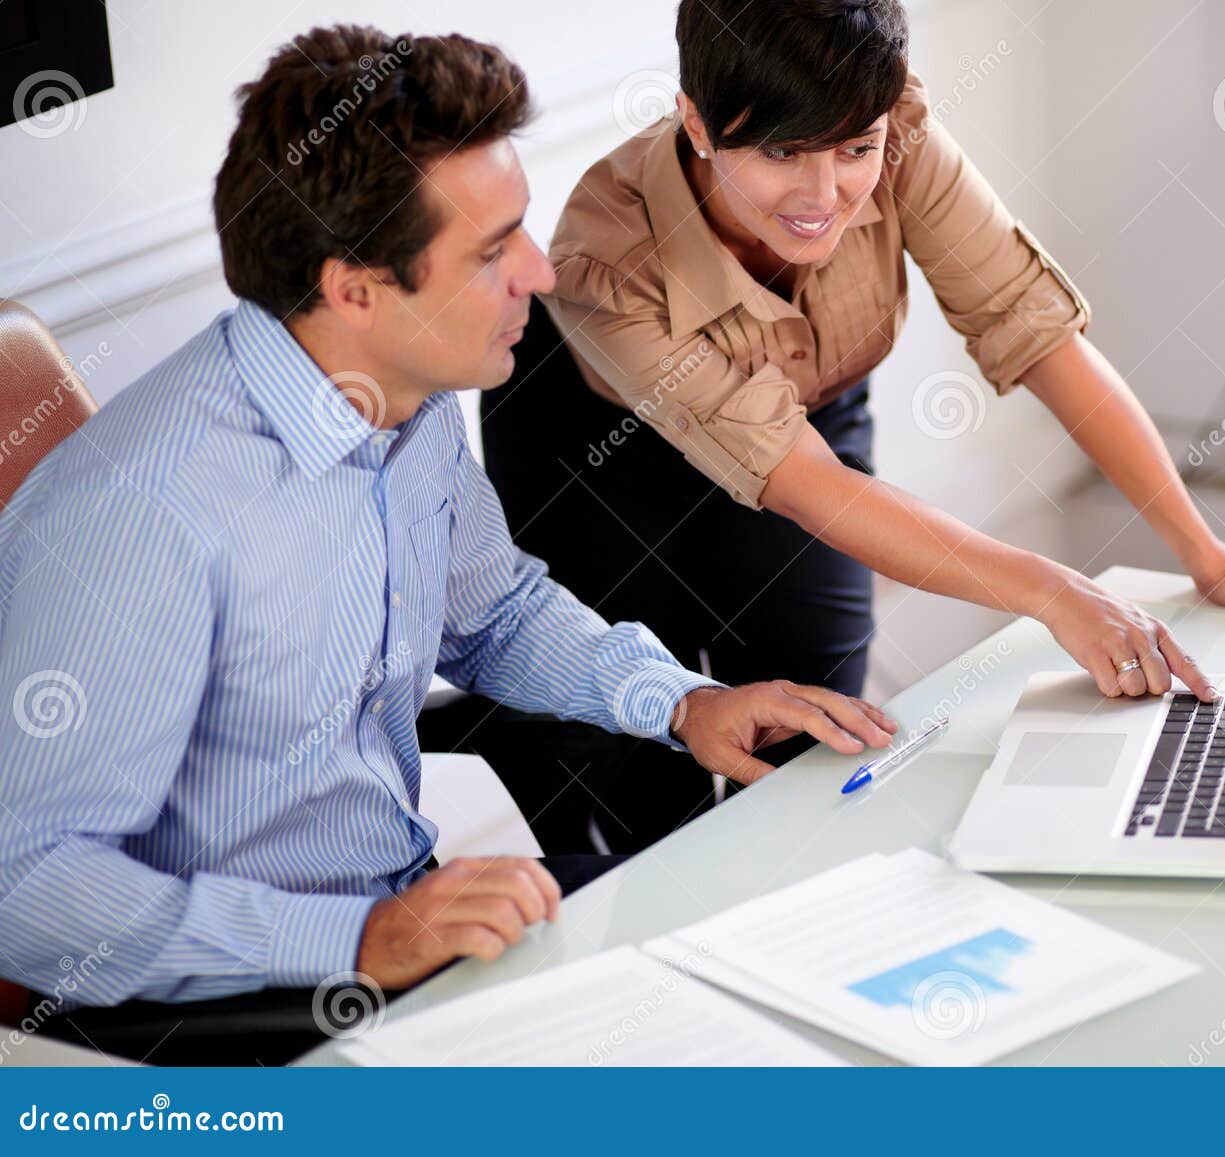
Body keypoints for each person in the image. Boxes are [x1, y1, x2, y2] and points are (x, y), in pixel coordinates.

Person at [0, 25, 894, 1028]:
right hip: (222, 1010)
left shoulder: (403, 399)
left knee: (779, 937)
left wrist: (684, 703)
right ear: (355, 289)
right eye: (488, 251)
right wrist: (357, 941)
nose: (538, 273)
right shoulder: (140, 516)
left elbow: (496, 613)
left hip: (394, 918)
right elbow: (26, 887)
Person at [476, 0, 1225, 840]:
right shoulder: (606, 257)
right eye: (780, 151)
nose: (825, 195)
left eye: (856, 148)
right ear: (695, 124)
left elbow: (1036, 334)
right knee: (643, 782)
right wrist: (1054, 590)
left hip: (808, 413)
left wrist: (1203, 551)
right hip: (605, 452)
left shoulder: (897, 131)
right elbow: (807, 486)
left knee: (817, 737)